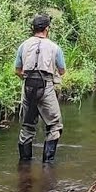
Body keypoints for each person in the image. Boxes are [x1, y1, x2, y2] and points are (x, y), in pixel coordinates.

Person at [13, 13, 65, 164]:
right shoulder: (55, 48)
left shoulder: (23, 45)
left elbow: (17, 70)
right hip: (46, 86)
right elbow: (62, 71)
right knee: (54, 125)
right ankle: (48, 165)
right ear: (47, 29)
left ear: (33, 28)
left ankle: (24, 165)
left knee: (27, 126)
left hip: (28, 86)